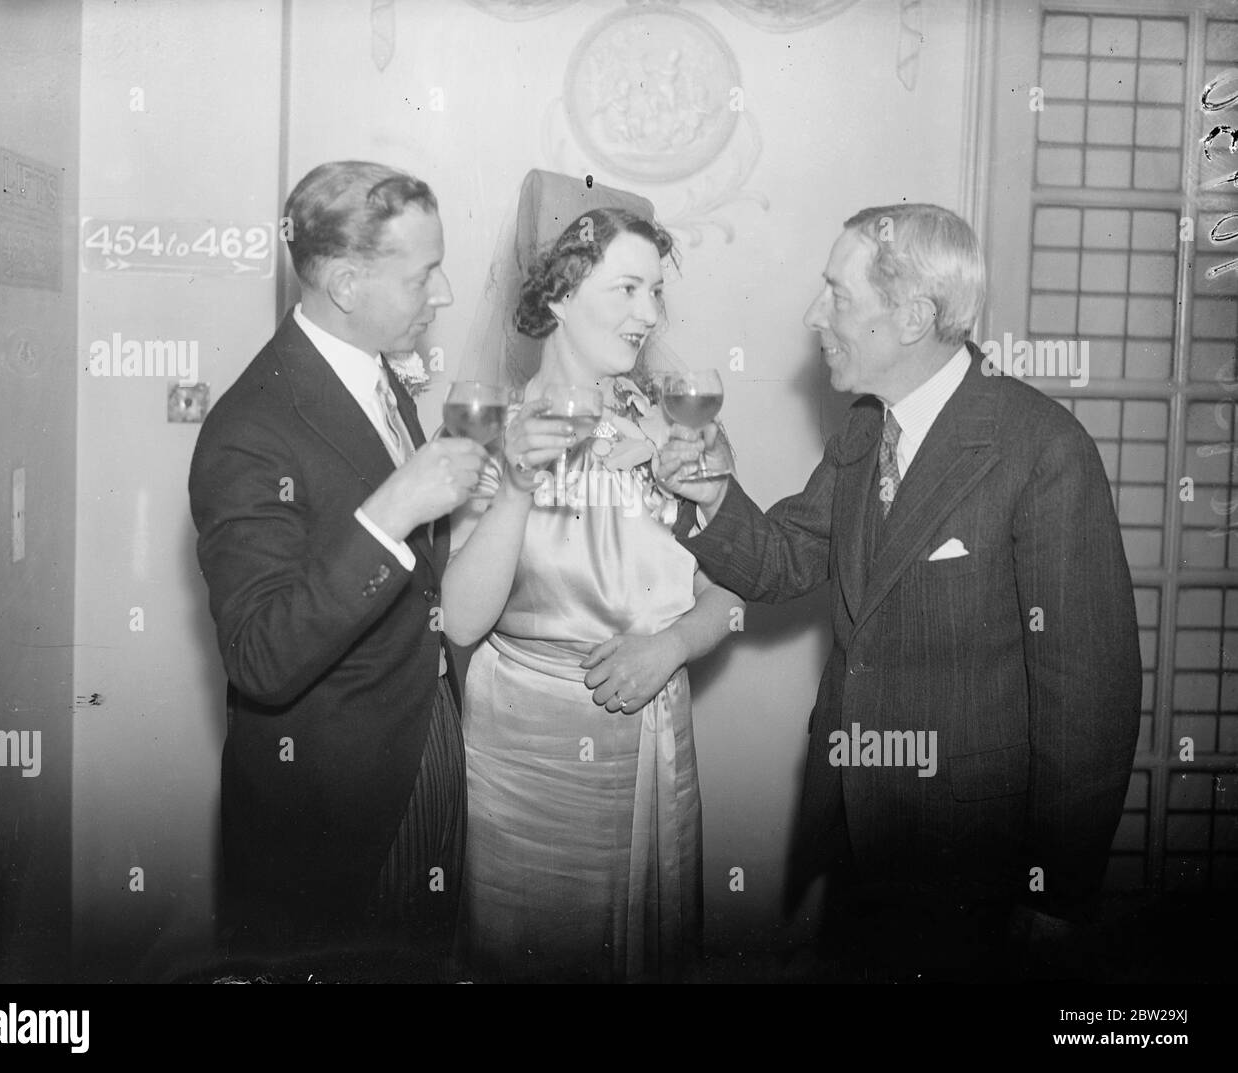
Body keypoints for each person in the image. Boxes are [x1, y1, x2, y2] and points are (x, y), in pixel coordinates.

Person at [658, 203, 1141, 981]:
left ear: (914, 316)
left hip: (972, 863)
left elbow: (1088, 694)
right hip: (855, 833)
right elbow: (785, 558)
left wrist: (1056, 890)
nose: (814, 316)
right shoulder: (865, 427)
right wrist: (711, 493)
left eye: (838, 296)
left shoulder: (1042, 450)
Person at [441, 170, 743, 983]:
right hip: (528, 758)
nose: (649, 315)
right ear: (562, 295)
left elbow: (732, 591)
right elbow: (462, 623)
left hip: (658, 742)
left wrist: (673, 644)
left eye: (655, 292)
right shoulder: (489, 428)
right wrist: (513, 481)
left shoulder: (679, 433)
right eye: (628, 288)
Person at [188, 161, 487, 980]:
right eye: (424, 272)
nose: (446, 292)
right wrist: (394, 509)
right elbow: (260, 654)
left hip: (421, 736)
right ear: (348, 283)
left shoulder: (376, 374)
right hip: (334, 797)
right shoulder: (249, 426)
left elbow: (403, 574)